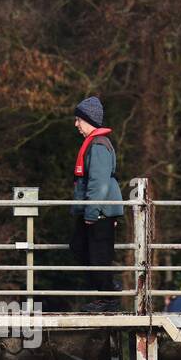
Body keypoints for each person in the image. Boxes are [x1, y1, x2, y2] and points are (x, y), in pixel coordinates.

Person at [69, 96, 123, 311]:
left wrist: (91, 213)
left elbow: (98, 183)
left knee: (98, 254)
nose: (76, 125)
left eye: (78, 120)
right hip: (97, 211)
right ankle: (107, 290)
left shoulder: (98, 145)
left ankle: (107, 297)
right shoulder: (96, 143)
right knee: (82, 248)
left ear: (87, 119)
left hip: (98, 212)